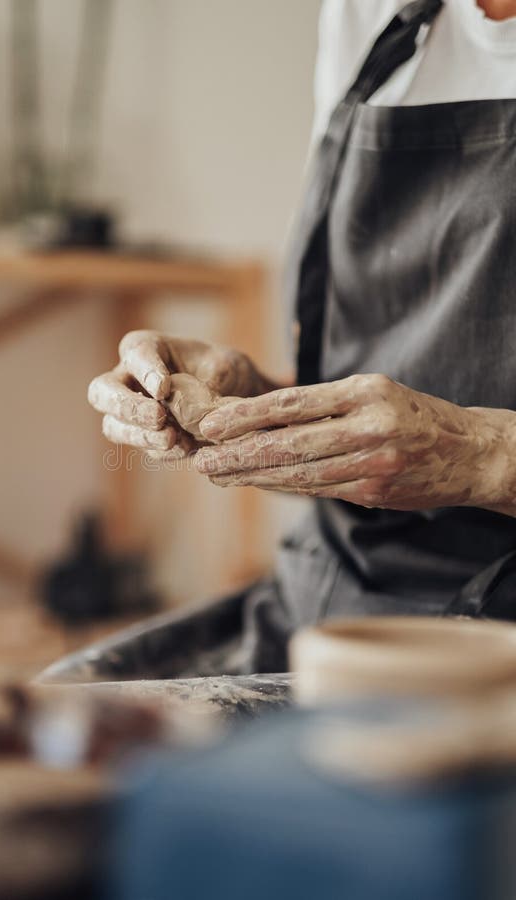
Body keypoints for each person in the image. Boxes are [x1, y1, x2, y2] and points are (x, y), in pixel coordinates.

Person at [87, 0, 516, 674]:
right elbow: (376, 420)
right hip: (324, 604)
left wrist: (487, 457)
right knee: (36, 737)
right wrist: (251, 401)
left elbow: (437, 439)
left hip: (492, 641)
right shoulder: (370, 15)